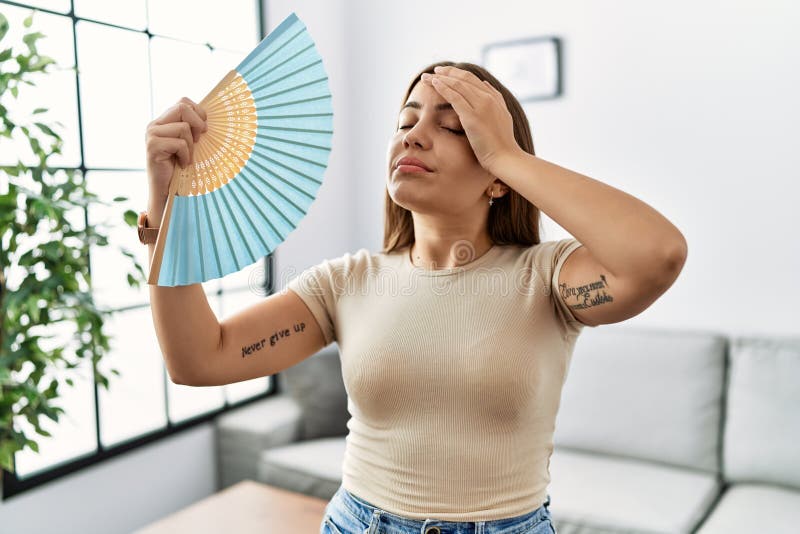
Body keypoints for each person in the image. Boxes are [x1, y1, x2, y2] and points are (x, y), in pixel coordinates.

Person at [143, 61, 687, 534]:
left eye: (452, 126)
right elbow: (198, 359)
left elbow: (656, 255)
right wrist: (168, 200)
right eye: (406, 121)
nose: (414, 135)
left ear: (497, 178)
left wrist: (506, 154)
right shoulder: (345, 282)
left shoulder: (547, 278)